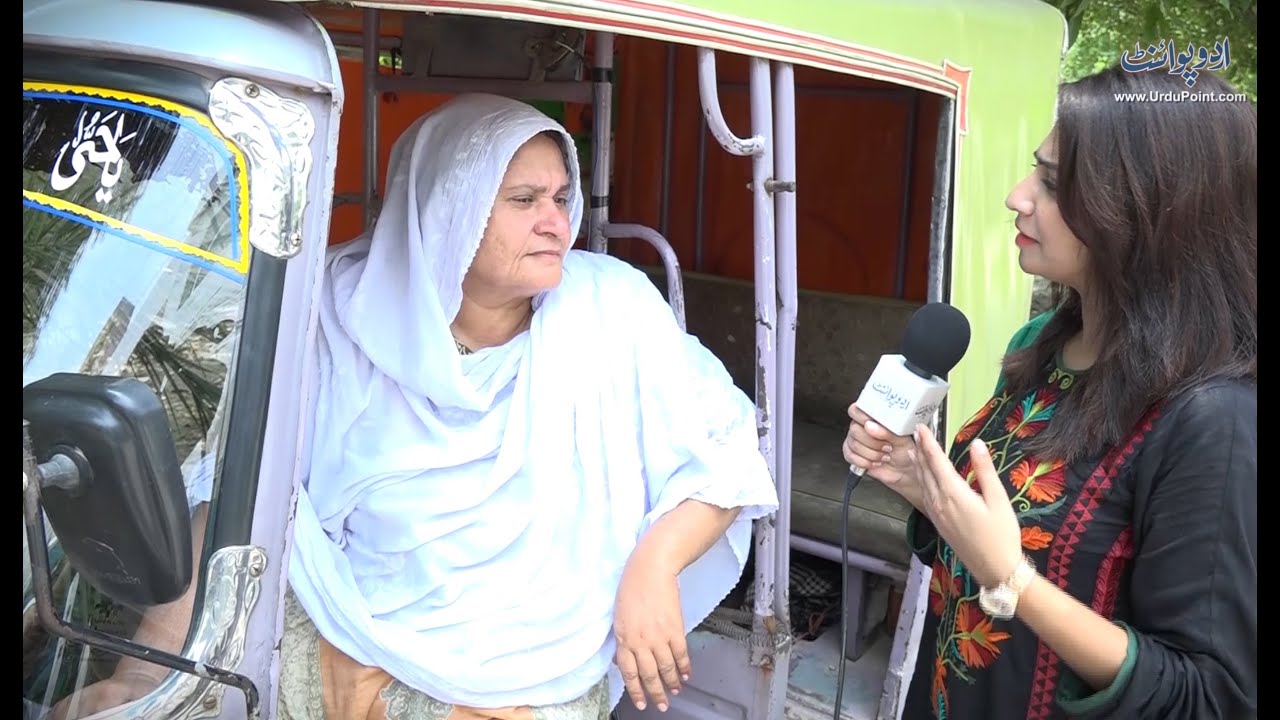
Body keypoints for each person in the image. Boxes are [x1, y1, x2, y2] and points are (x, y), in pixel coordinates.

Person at [278, 94, 778, 718]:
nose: (555, 223)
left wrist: (654, 567)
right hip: (355, 614)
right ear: (447, 209)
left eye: (562, 198)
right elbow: (251, 485)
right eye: (524, 200)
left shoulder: (610, 307)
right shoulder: (342, 308)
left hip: (540, 659)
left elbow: (727, 452)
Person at [844, 65, 1256, 720]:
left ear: (1150, 209)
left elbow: (1210, 696)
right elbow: (993, 539)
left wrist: (1015, 583)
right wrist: (922, 487)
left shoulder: (1213, 421)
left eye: (1054, 184)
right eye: (1034, 171)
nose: (1017, 196)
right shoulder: (1042, 345)